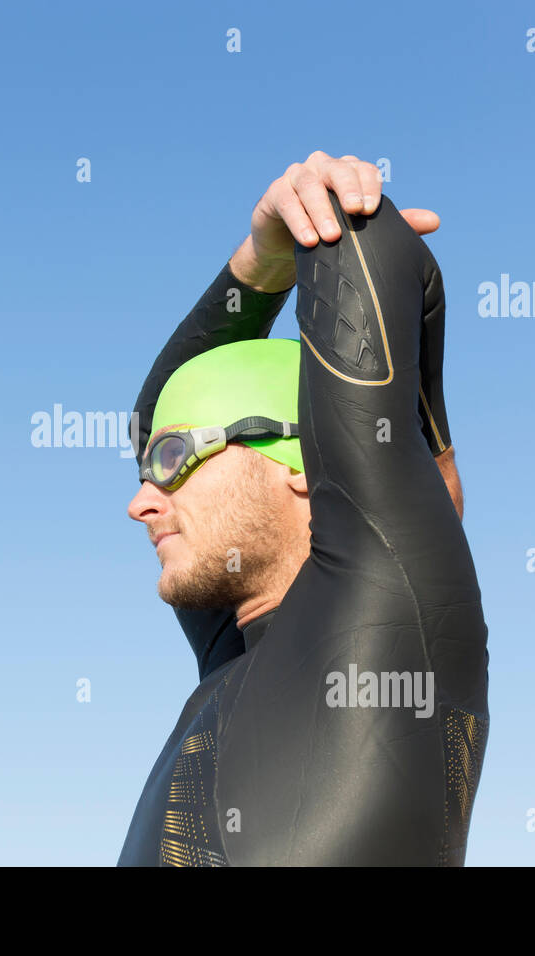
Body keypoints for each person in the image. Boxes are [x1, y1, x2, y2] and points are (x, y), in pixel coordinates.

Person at [118, 152, 489, 866]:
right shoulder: (234, 650)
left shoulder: (384, 616)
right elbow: (152, 412)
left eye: (172, 463)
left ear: (303, 464)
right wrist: (258, 266)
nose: (140, 504)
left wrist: (334, 216)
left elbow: (369, 249)